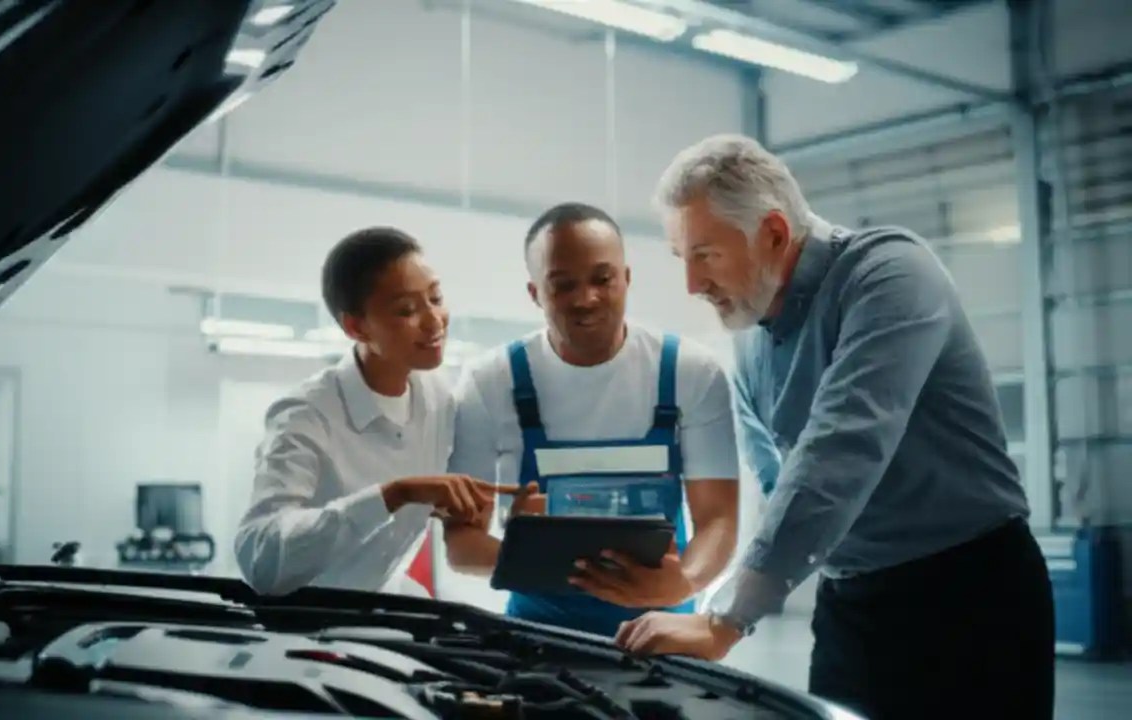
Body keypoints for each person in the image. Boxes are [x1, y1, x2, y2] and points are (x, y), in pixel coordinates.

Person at [616, 134, 1055, 719]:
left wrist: (724, 618)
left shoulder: (891, 275)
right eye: (683, 259)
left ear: (773, 234)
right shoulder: (749, 338)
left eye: (706, 255)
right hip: (852, 603)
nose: (693, 285)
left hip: (970, 592)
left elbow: (841, 448)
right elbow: (782, 483)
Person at [444, 202, 741, 637]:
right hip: (537, 637)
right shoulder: (491, 382)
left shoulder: (689, 373)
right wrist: (528, 552)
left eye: (602, 279)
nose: (586, 299)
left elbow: (718, 518)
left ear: (626, 278)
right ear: (535, 294)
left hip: (663, 630)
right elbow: (461, 544)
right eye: (563, 285)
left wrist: (686, 581)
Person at [234, 226, 509, 597]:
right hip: (301, 625)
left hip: (383, 610)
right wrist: (393, 495)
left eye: (436, 297)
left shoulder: (439, 398)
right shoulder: (305, 414)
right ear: (356, 326)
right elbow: (261, 558)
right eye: (407, 310)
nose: (434, 320)